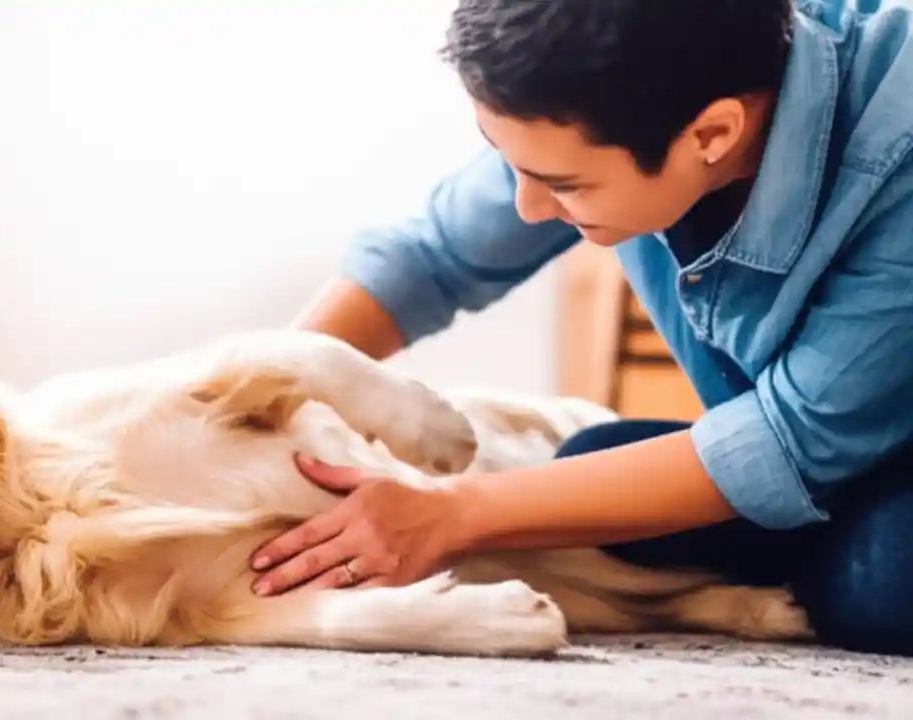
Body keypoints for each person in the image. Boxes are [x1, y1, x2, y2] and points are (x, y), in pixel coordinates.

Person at [246, 0, 913, 657]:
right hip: (836, 451)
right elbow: (431, 257)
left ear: (712, 135)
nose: (528, 207)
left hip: (842, 452)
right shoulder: (615, 96)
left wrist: (452, 511)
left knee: (886, 578)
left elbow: (787, 442)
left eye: (564, 185)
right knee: (589, 470)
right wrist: (270, 389)